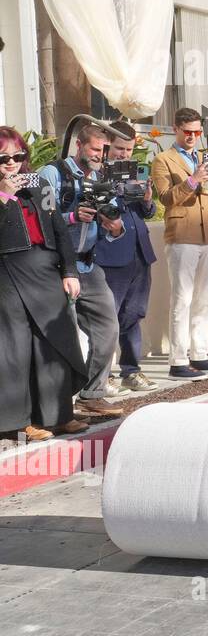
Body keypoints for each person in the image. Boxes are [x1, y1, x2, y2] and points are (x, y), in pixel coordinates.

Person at [0, 126, 88, 439]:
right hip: (8, 273)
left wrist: (70, 271)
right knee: (16, 348)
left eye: (18, 156)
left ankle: (59, 415)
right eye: (4, 158)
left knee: (57, 342)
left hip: (46, 269)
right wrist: (5, 195)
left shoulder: (39, 183)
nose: (12, 163)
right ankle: (17, 423)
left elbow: (58, 227)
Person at [36, 118, 123, 418]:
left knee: (108, 328)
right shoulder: (52, 173)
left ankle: (92, 394)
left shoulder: (102, 178)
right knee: (65, 337)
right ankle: (59, 405)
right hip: (57, 266)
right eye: (95, 149)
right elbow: (40, 217)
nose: (99, 156)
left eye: (103, 151)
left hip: (88, 265)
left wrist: (115, 226)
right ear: (79, 145)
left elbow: (113, 218)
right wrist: (73, 217)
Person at [150, 108, 208, 379]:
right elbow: (166, 198)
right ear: (176, 129)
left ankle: (200, 354)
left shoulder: (206, 159)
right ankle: (178, 360)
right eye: (187, 132)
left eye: (197, 132)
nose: (193, 137)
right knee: (182, 299)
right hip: (182, 234)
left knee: (206, 299)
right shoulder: (163, 159)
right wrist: (193, 179)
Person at [93, 123, 159, 392]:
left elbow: (147, 213)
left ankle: (131, 371)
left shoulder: (133, 173)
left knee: (134, 315)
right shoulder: (95, 175)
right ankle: (104, 376)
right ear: (107, 145)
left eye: (129, 149)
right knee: (109, 318)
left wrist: (146, 198)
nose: (124, 154)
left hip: (139, 254)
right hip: (111, 256)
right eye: (119, 148)